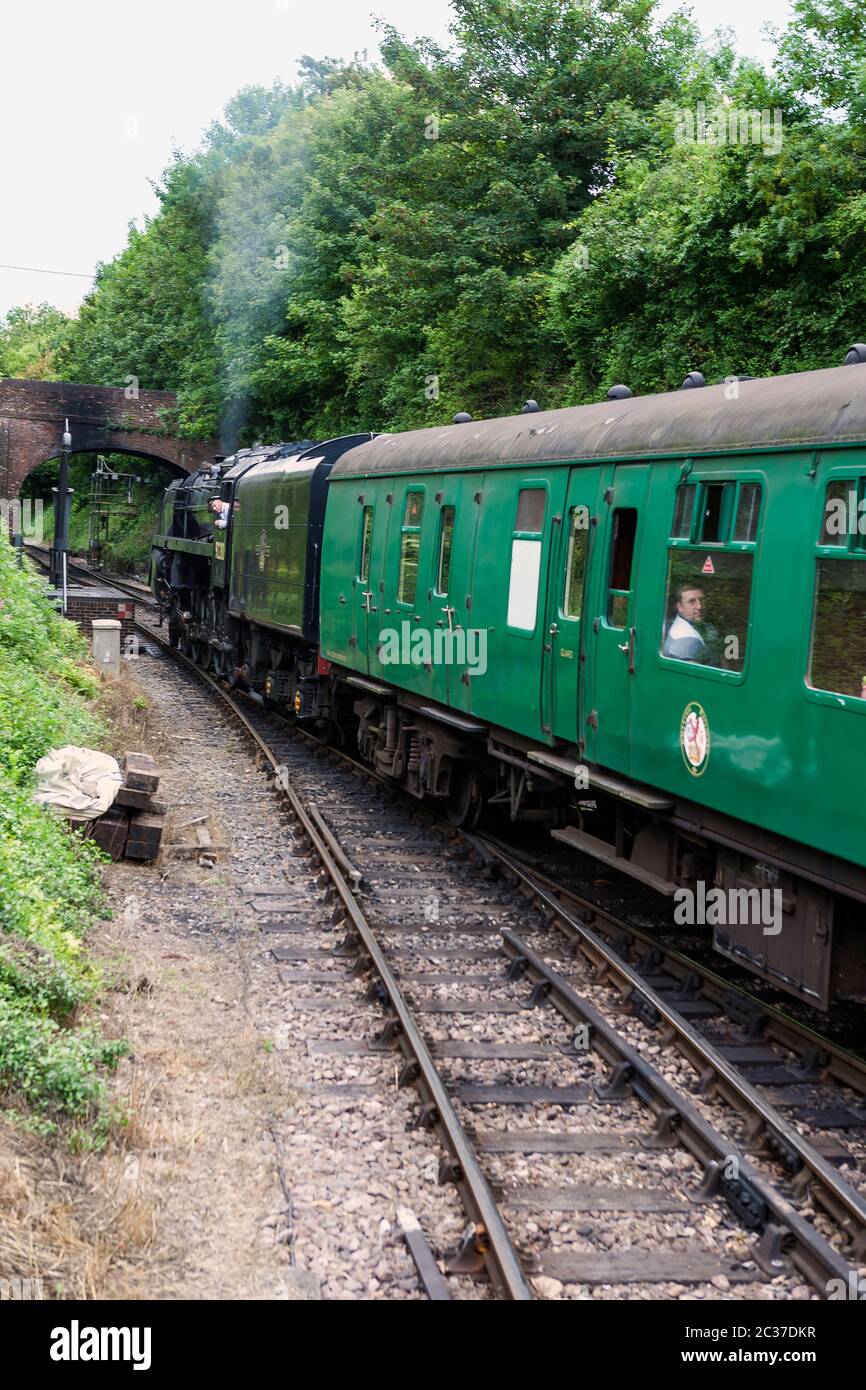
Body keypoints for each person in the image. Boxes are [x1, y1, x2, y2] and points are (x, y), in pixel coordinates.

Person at [663, 585, 718, 662]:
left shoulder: (679, 622)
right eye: (692, 602)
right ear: (680, 607)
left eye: (701, 600)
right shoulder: (687, 641)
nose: (700, 606)